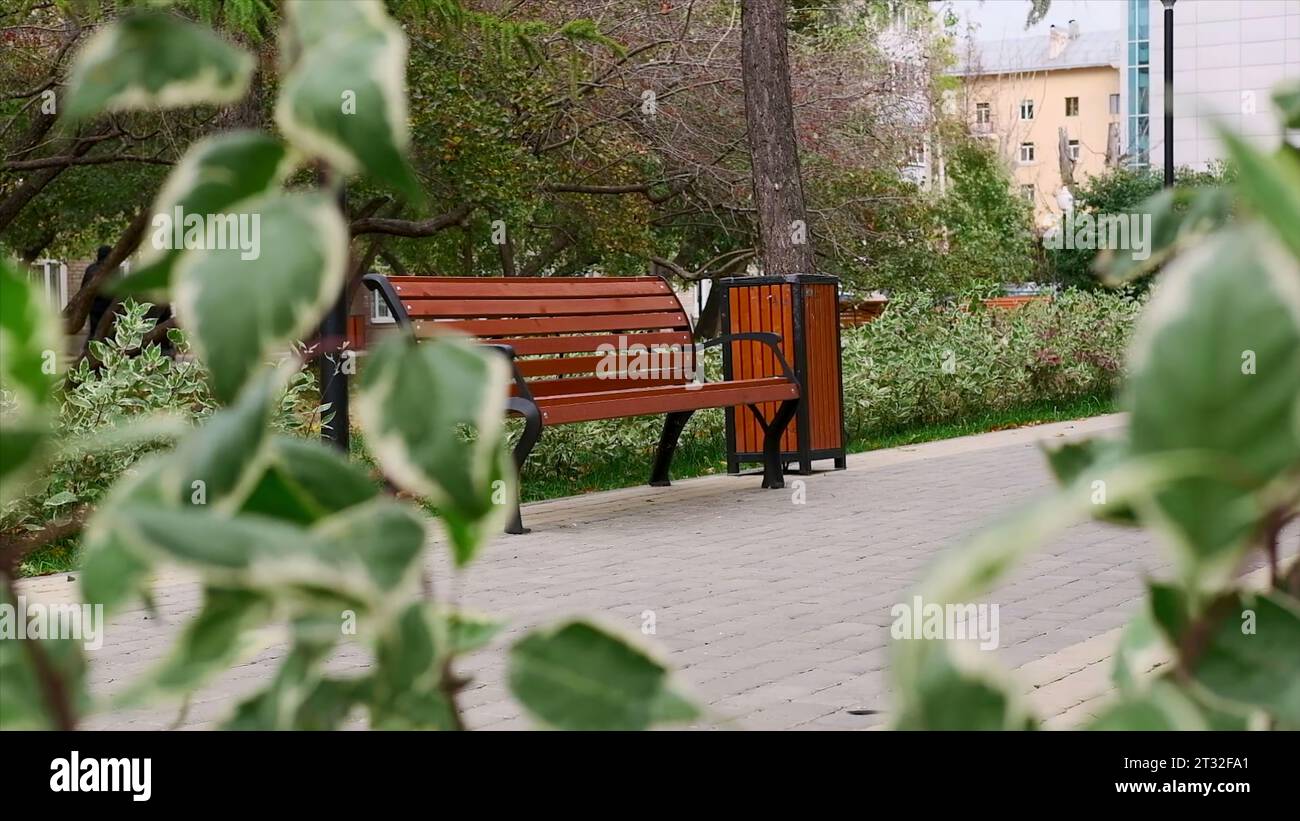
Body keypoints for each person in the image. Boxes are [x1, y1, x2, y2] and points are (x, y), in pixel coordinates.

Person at [81, 245, 114, 338]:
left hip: (93, 306)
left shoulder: (91, 269)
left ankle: (89, 349)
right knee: (106, 332)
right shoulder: (113, 269)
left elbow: (83, 287)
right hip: (107, 306)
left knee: (94, 331)